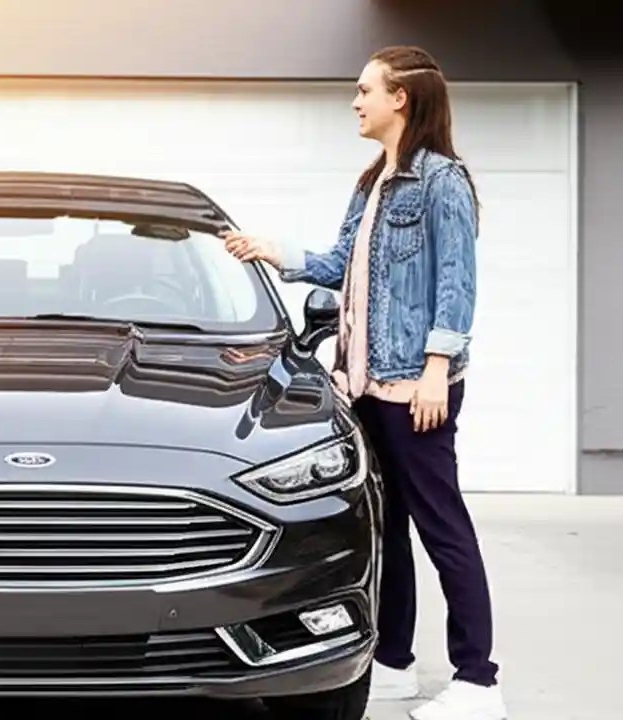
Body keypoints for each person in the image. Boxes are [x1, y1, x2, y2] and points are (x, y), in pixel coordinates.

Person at [223, 46, 506, 720]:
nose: (355, 101)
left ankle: (479, 681)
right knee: (390, 531)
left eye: (365, 90)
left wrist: (436, 371)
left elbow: (456, 285)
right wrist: (270, 250)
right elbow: (338, 264)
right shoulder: (373, 181)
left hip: (417, 388)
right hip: (368, 387)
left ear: (399, 98)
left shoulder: (442, 182)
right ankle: (395, 663)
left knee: (444, 528)